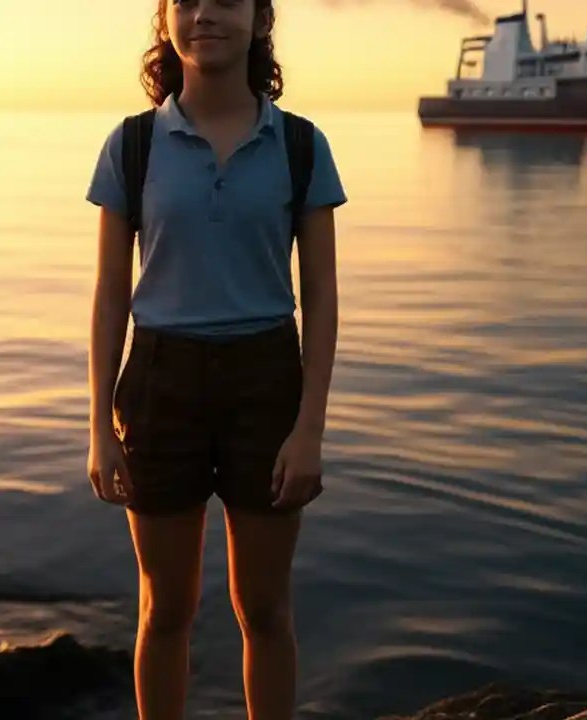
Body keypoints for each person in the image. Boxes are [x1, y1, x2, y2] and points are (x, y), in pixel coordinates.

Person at [84, 0, 347, 717]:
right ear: (166, 18)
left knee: (264, 611)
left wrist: (310, 429)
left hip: (267, 381)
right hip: (160, 381)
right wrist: (99, 429)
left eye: (227, 1)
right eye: (188, 1)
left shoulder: (300, 145)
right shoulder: (132, 146)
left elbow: (320, 298)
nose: (207, 15)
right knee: (163, 612)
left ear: (260, 19)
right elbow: (111, 297)